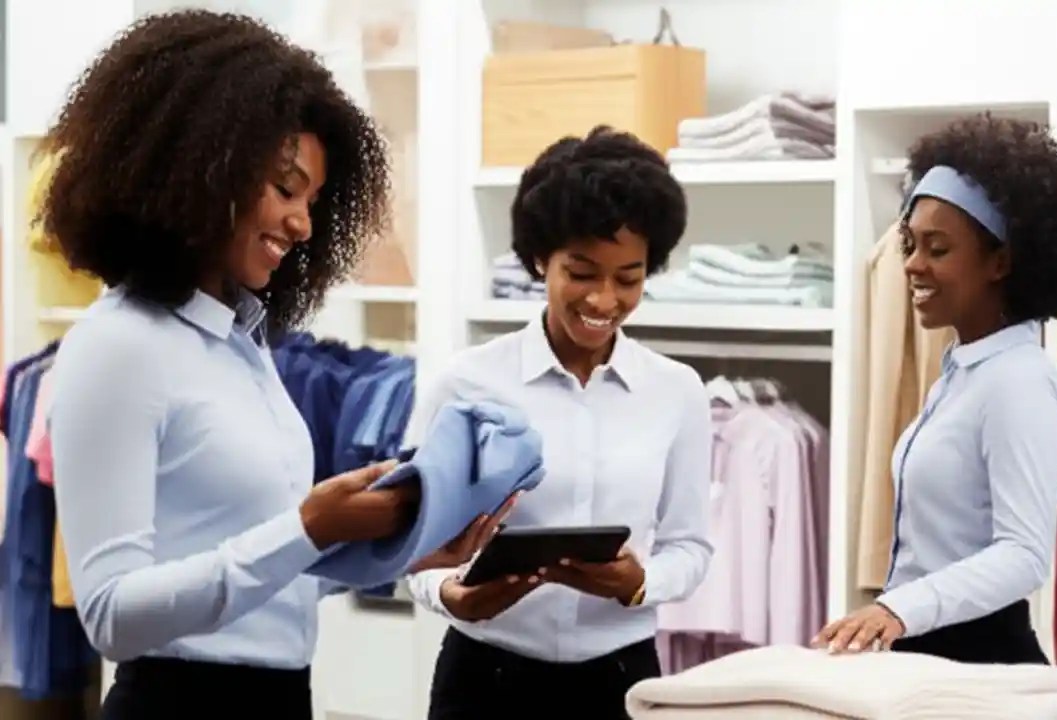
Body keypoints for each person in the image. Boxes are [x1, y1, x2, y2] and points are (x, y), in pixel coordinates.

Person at [40, 11, 510, 719]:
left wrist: (400, 548)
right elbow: (111, 616)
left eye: (314, 201)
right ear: (198, 166)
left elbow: (260, 575)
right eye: (285, 189)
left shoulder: (242, 340)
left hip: (284, 696)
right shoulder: (117, 347)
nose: (303, 225)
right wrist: (311, 526)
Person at [408, 125, 714, 719]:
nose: (603, 300)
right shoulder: (467, 382)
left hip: (620, 681)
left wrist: (639, 584)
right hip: (484, 679)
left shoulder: (676, 392)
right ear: (539, 259)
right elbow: (411, 544)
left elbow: (690, 545)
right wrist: (452, 595)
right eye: (581, 272)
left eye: (628, 278)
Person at [814, 113, 1057, 664]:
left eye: (937, 249)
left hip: (980, 661)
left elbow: (1023, 554)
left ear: (1001, 261)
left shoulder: (1018, 382)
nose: (912, 265)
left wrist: (899, 609)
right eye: (909, 244)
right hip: (924, 654)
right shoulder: (962, 373)